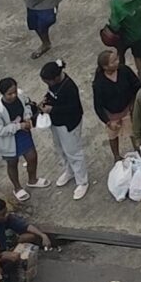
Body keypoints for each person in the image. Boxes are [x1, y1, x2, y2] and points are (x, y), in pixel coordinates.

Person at [39, 59, 91, 200]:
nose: (47, 84)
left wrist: (53, 109)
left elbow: (73, 108)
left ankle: (82, 181)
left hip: (69, 124)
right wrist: (46, 100)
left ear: (56, 78)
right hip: (56, 122)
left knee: (74, 152)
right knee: (60, 148)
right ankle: (69, 171)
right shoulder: (54, 84)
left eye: (48, 81)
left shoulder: (69, 87)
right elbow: (51, 93)